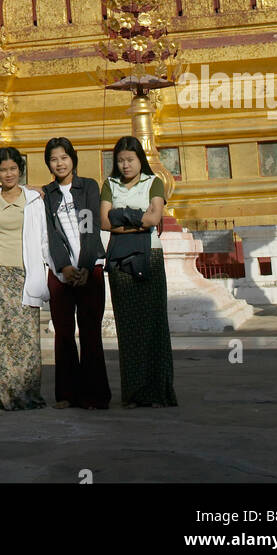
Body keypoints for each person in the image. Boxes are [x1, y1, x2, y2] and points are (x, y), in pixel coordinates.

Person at [100, 135, 177, 408]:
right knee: (129, 327)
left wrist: (124, 216)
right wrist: (138, 219)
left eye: (130, 160)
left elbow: (155, 219)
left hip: (150, 256)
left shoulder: (153, 181)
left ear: (139, 160)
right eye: (120, 160)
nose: (125, 165)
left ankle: (159, 392)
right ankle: (133, 393)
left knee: (155, 324)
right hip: (121, 259)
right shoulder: (109, 184)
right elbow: (105, 221)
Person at [40, 136, 111, 410]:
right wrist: (65, 267)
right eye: (53, 159)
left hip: (89, 268)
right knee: (65, 333)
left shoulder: (88, 187)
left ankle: (95, 395)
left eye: (63, 157)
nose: (59, 163)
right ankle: (67, 394)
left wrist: (83, 266)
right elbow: (50, 234)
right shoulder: (48, 195)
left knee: (91, 332)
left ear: (73, 159)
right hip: (61, 275)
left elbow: (90, 229)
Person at [0, 145, 48, 410]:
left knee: (27, 337)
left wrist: (48, 270)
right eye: (3, 169)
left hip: (26, 273)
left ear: (20, 170)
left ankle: (30, 394)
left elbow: (43, 238)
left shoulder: (33, 200)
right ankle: (7, 395)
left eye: (13, 168)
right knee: (1, 336)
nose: (8, 174)